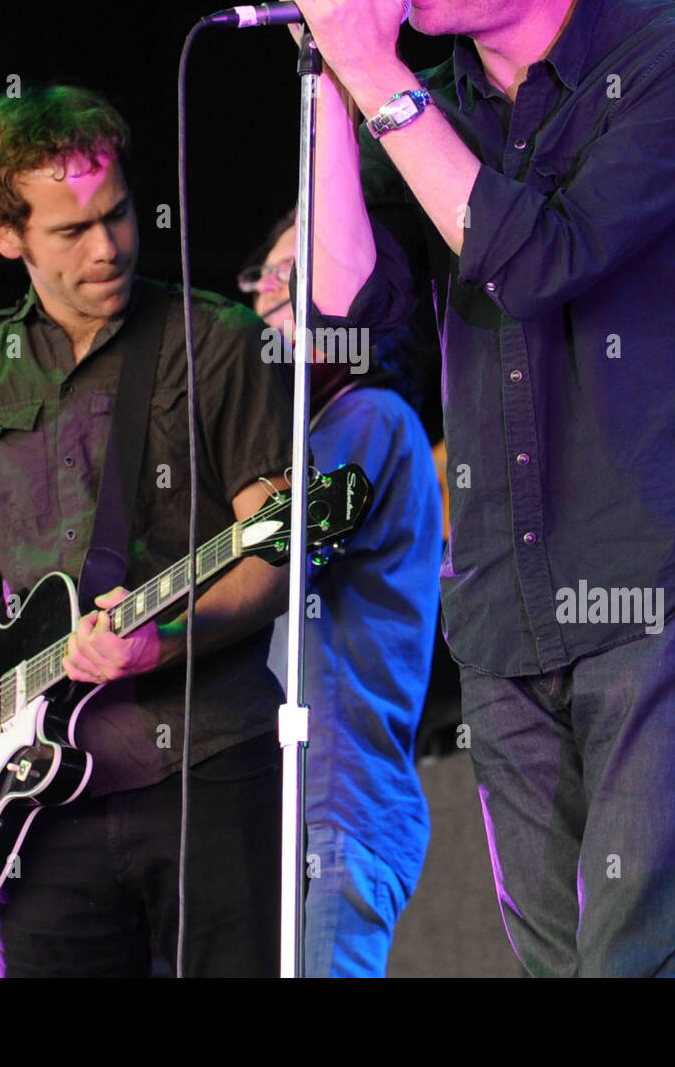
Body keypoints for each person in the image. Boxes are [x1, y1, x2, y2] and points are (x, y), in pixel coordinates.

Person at [282, 0, 675, 977]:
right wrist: (326, 87)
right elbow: (340, 317)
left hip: (663, 572)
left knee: (639, 955)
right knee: (558, 962)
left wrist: (383, 85)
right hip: (506, 596)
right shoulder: (424, 100)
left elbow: (537, 257)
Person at [0, 85, 293, 977]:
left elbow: (277, 549)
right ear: (4, 234)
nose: (108, 246)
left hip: (207, 767)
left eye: (117, 214)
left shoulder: (216, 341)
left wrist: (168, 640)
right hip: (31, 799)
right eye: (71, 232)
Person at [239, 212, 440, 976]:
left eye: (303, 274)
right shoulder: (283, 442)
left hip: (334, 809)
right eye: (269, 275)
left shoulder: (369, 419)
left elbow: (280, 555)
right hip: (288, 808)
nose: (272, 296)